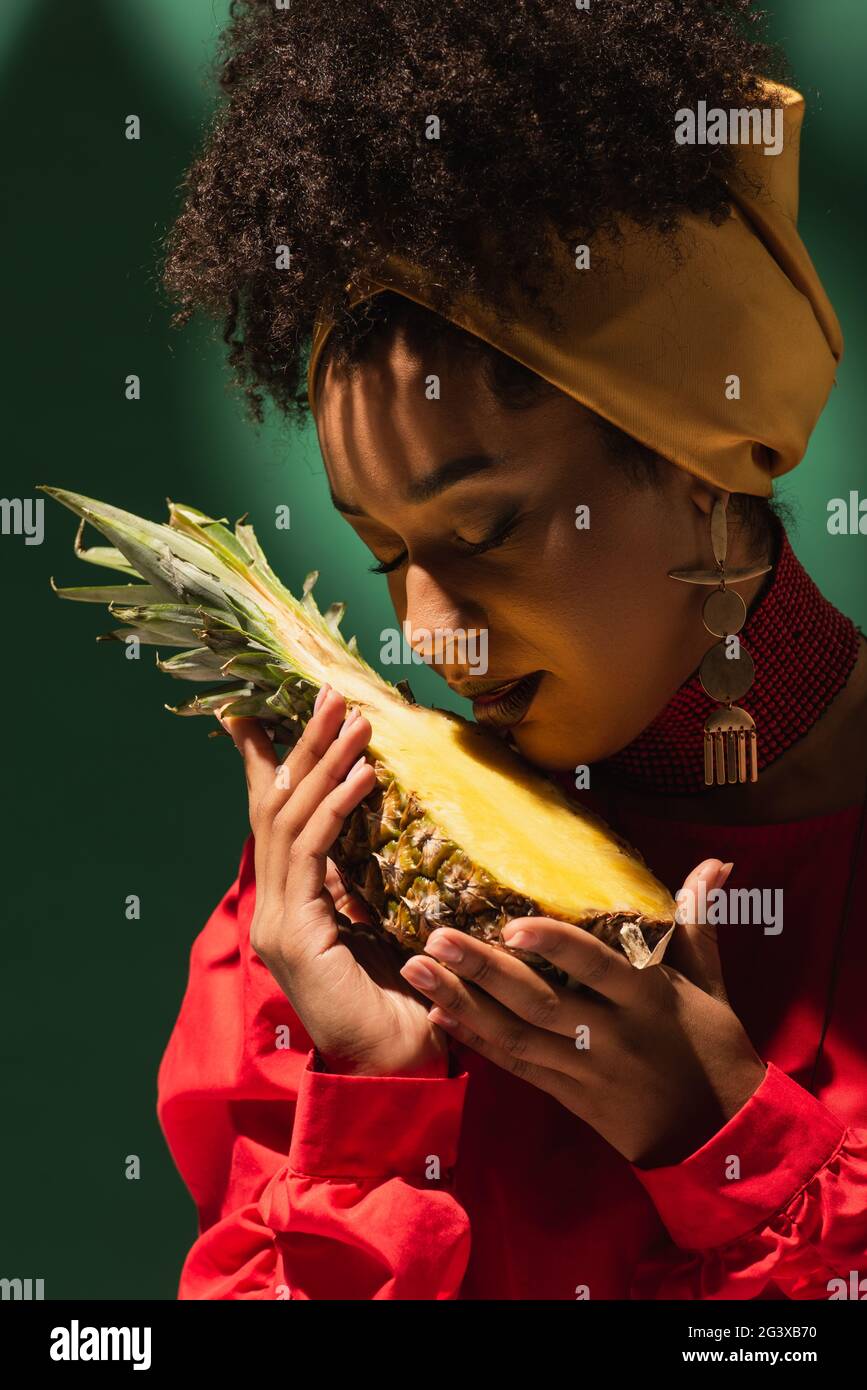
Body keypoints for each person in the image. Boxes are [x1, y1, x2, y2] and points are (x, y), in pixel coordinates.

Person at [156, 0, 867, 1298]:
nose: (427, 636)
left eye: (484, 529)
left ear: (707, 463)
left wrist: (723, 1141)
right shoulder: (326, 916)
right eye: (383, 553)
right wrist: (370, 1103)